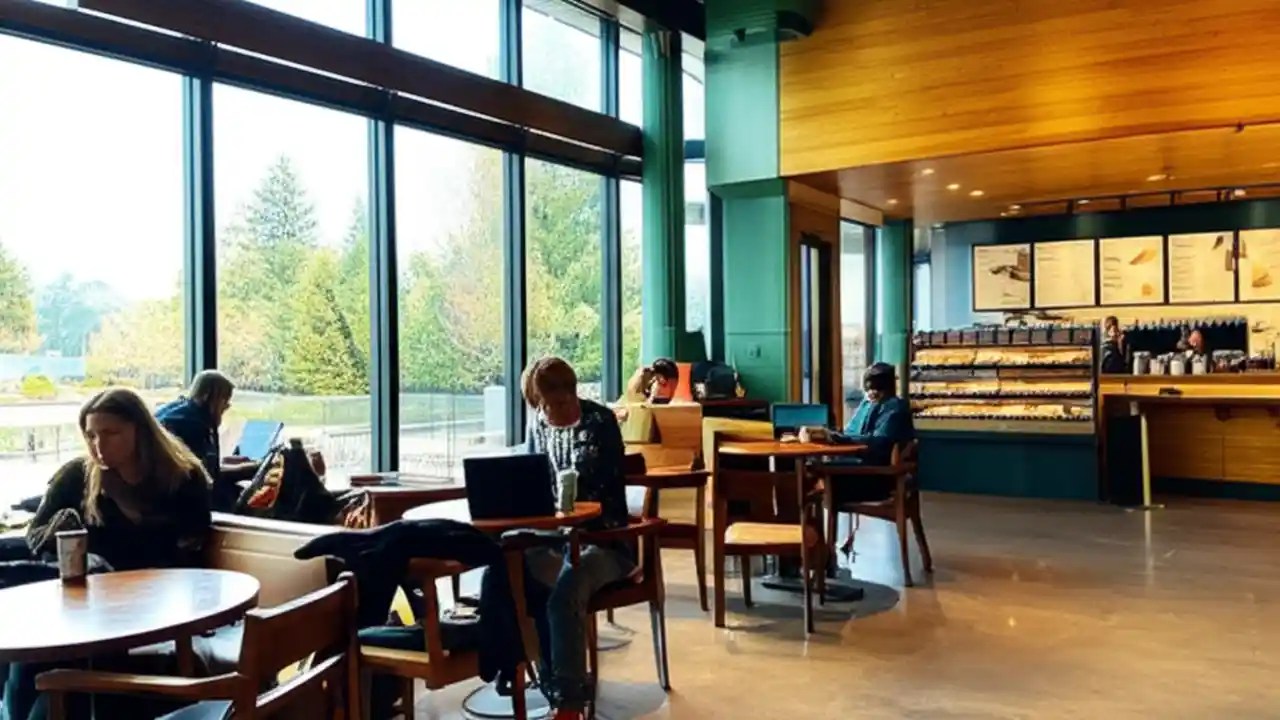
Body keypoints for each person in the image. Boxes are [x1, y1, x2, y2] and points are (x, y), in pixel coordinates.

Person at [10, 387, 213, 720]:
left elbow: (186, 551)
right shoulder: (78, 474)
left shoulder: (180, 477)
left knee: (54, 678)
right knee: (25, 663)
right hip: (79, 602)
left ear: (140, 430)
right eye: (91, 435)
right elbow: (36, 534)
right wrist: (64, 532)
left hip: (150, 605)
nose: (98, 445)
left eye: (110, 433)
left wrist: (124, 503)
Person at [522, 356, 631, 720]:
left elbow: (603, 494)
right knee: (517, 578)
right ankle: (548, 683)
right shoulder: (538, 426)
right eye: (544, 407)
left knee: (564, 593)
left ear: (571, 393)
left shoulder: (600, 423)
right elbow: (533, 481)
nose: (550, 413)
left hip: (606, 541)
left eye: (556, 404)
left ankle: (569, 703)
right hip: (556, 538)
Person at [155, 369, 258, 511]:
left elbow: (206, 465)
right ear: (209, 397)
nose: (226, 407)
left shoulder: (180, 412)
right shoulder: (192, 425)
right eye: (225, 401)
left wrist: (232, 463)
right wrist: (251, 469)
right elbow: (207, 476)